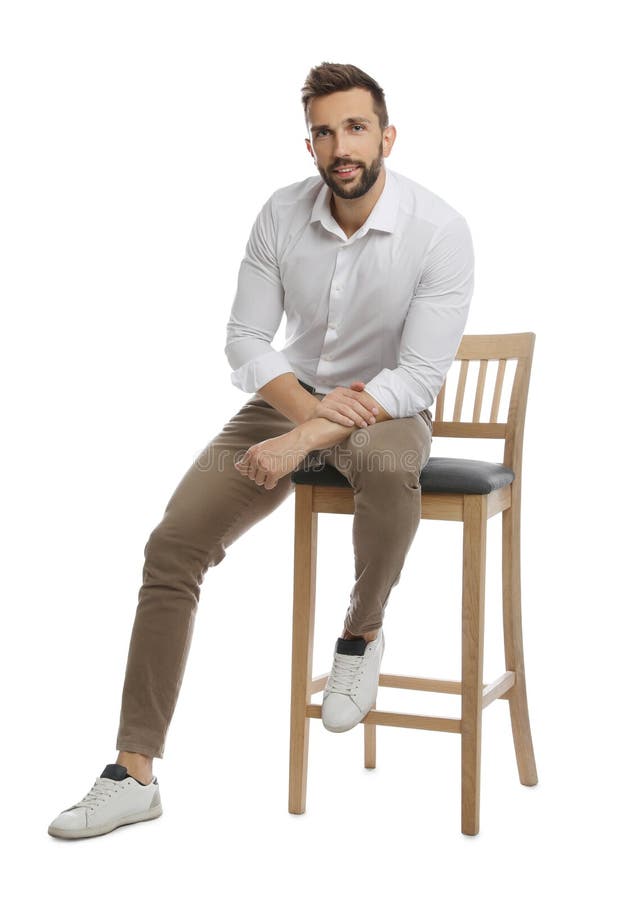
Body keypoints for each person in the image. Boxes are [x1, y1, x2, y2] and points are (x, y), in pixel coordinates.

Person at [48, 61, 474, 840]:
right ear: (308, 142)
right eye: (322, 131)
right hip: (285, 399)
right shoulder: (280, 214)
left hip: (385, 410)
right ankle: (133, 771)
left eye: (353, 127)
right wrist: (302, 415)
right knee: (173, 545)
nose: (338, 145)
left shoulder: (438, 229)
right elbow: (246, 338)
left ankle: (361, 633)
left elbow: (415, 374)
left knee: (382, 461)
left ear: (386, 135)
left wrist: (308, 439)